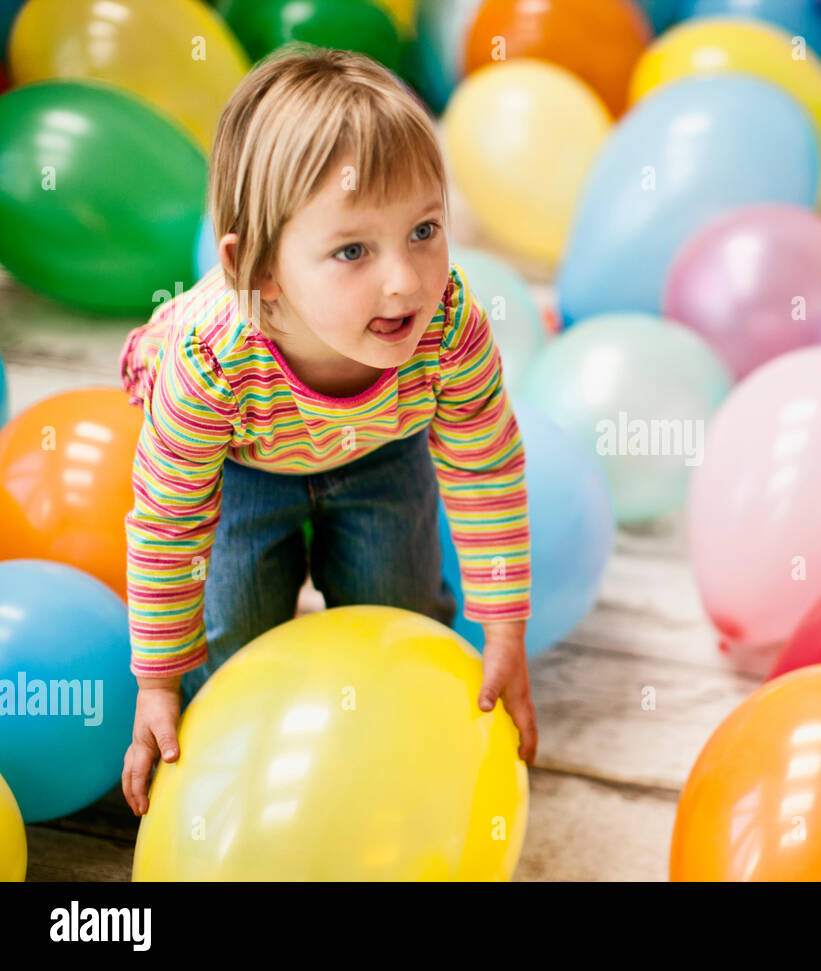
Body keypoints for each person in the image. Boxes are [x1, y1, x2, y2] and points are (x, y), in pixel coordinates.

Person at [119, 44, 536, 817]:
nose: (404, 281)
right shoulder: (210, 361)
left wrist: (504, 626)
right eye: (352, 249)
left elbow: (485, 468)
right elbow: (169, 522)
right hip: (241, 469)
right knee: (234, 632)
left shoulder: (446, 328)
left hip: (383, 451)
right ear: (262, 269)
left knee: (400, 609)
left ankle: (389, 765)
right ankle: (240, 776)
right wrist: (158, 680)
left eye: (423, 230)